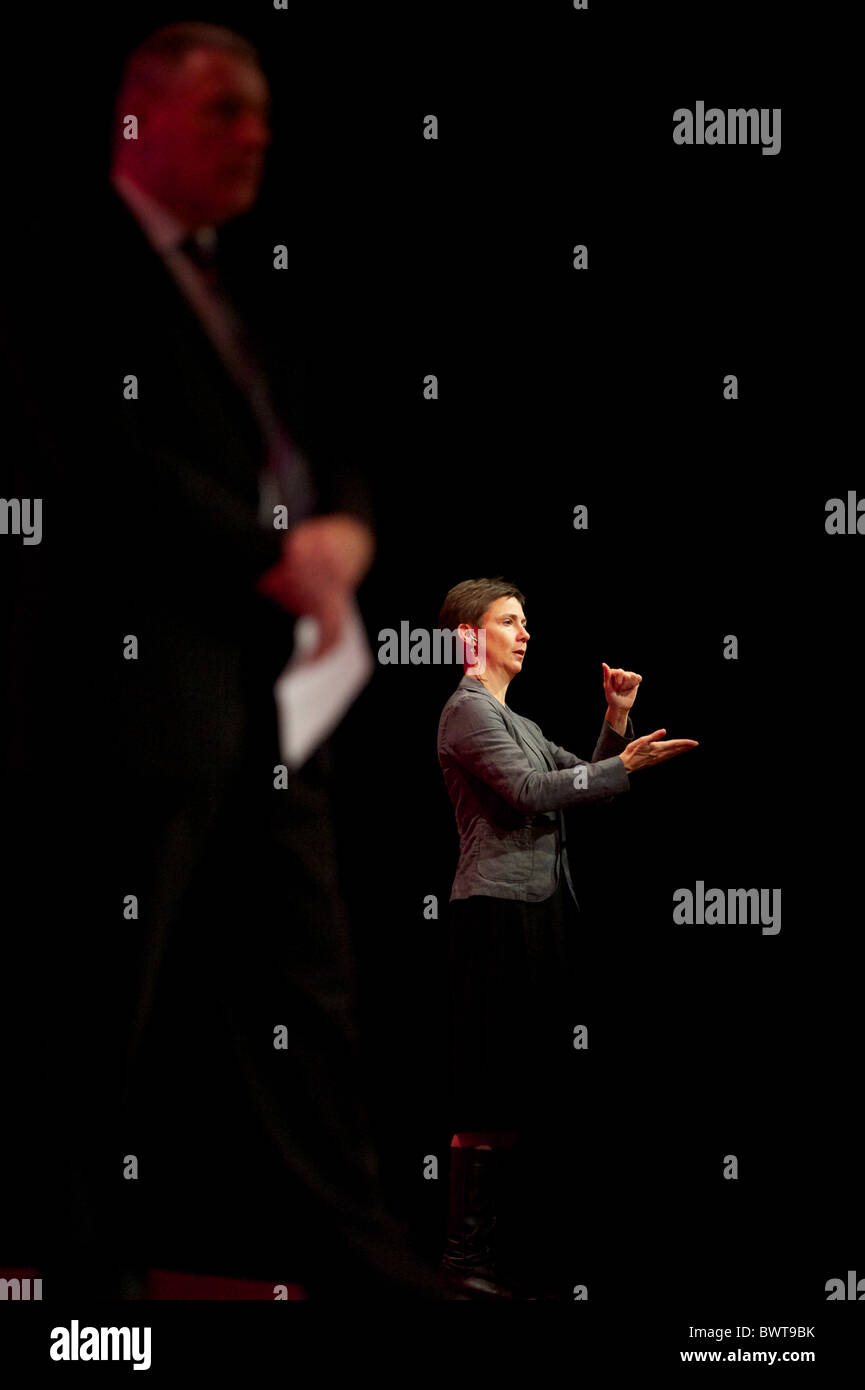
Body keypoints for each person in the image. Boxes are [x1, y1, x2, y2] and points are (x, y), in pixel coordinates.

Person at [14, 21, 457, 1300]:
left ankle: (360, 1257)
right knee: (100, 1009)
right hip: (130, 704)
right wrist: (276, 551)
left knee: (306, 993)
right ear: (140, 118)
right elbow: (108, 464)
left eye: (262, 113)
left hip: (279, 701)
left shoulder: (247, 285)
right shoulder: (66, 262)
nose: (256, 135)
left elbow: (323, 443)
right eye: (224, 111)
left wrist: (345, 534)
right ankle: (84, 1294)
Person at [435, 577, 698, 1298]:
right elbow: (529, 792)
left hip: (535, 908)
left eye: (526, 622)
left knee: (531, 1084)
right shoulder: (466, 714)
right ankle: (465, 1260)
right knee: (489, 1084)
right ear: (468, 636)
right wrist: (622, 766)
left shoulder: (509, 718)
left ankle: (512, 1249)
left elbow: (576, 781)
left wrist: (615, 721)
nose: (525, 633)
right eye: (510, 622)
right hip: (492, 912)